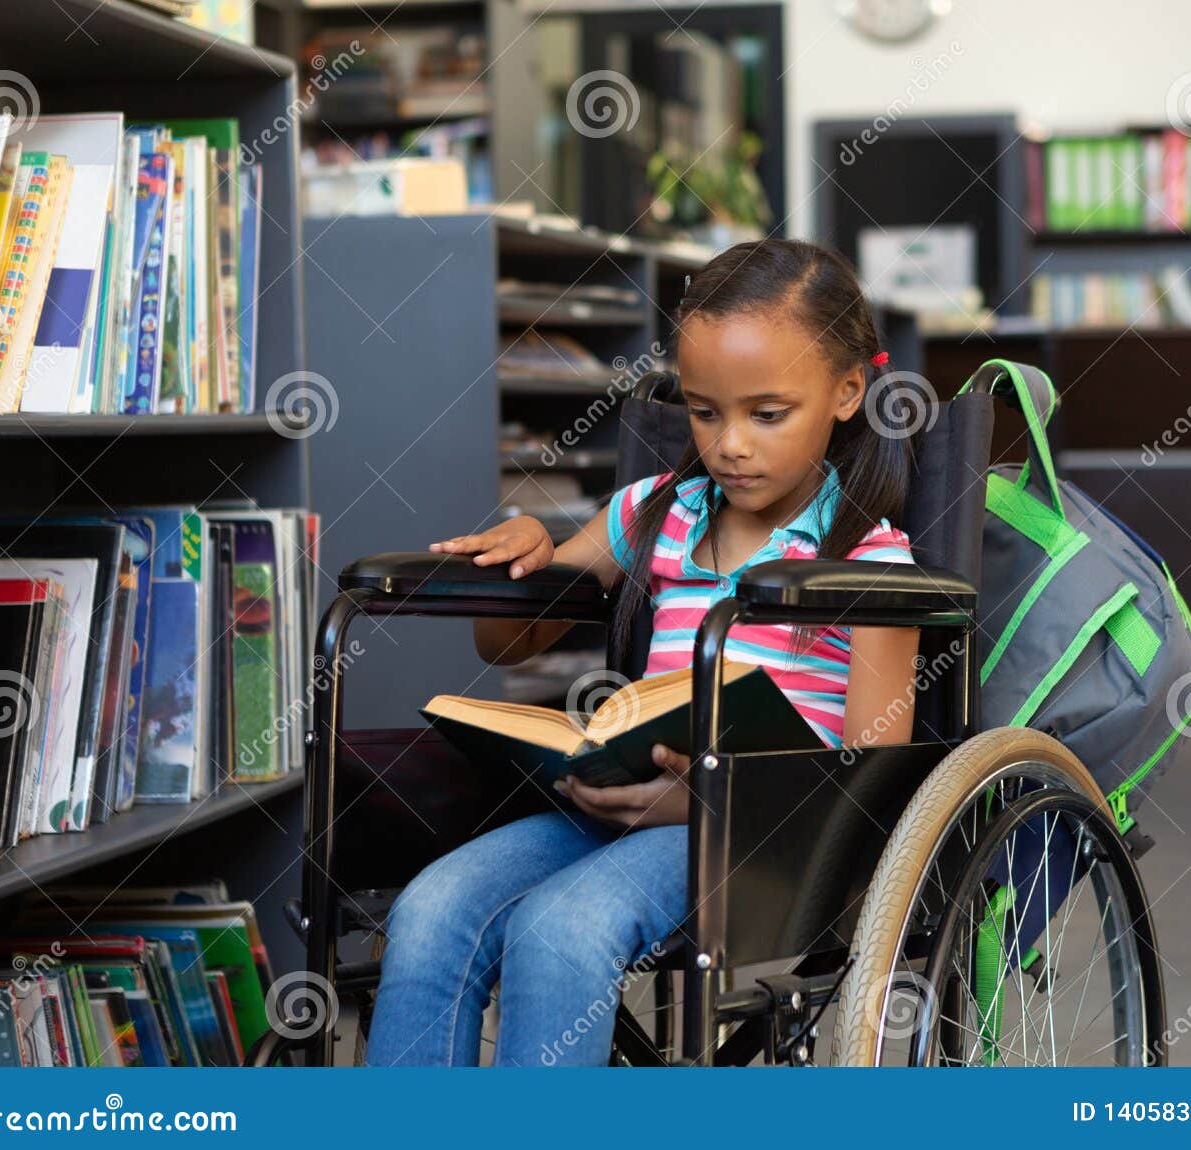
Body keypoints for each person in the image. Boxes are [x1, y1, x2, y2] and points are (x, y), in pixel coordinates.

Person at [365, 238, 922, 1066]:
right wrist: (527, 553)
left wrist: (701, 799)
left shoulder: (870, 562)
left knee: (561, 929)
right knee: (431, 906)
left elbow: (876, 763)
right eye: (704, 411)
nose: (729, 444)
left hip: (761, 835)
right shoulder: (654, 514)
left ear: (847, 392)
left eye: (766, 414)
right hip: (614, 807)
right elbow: (510, 641)